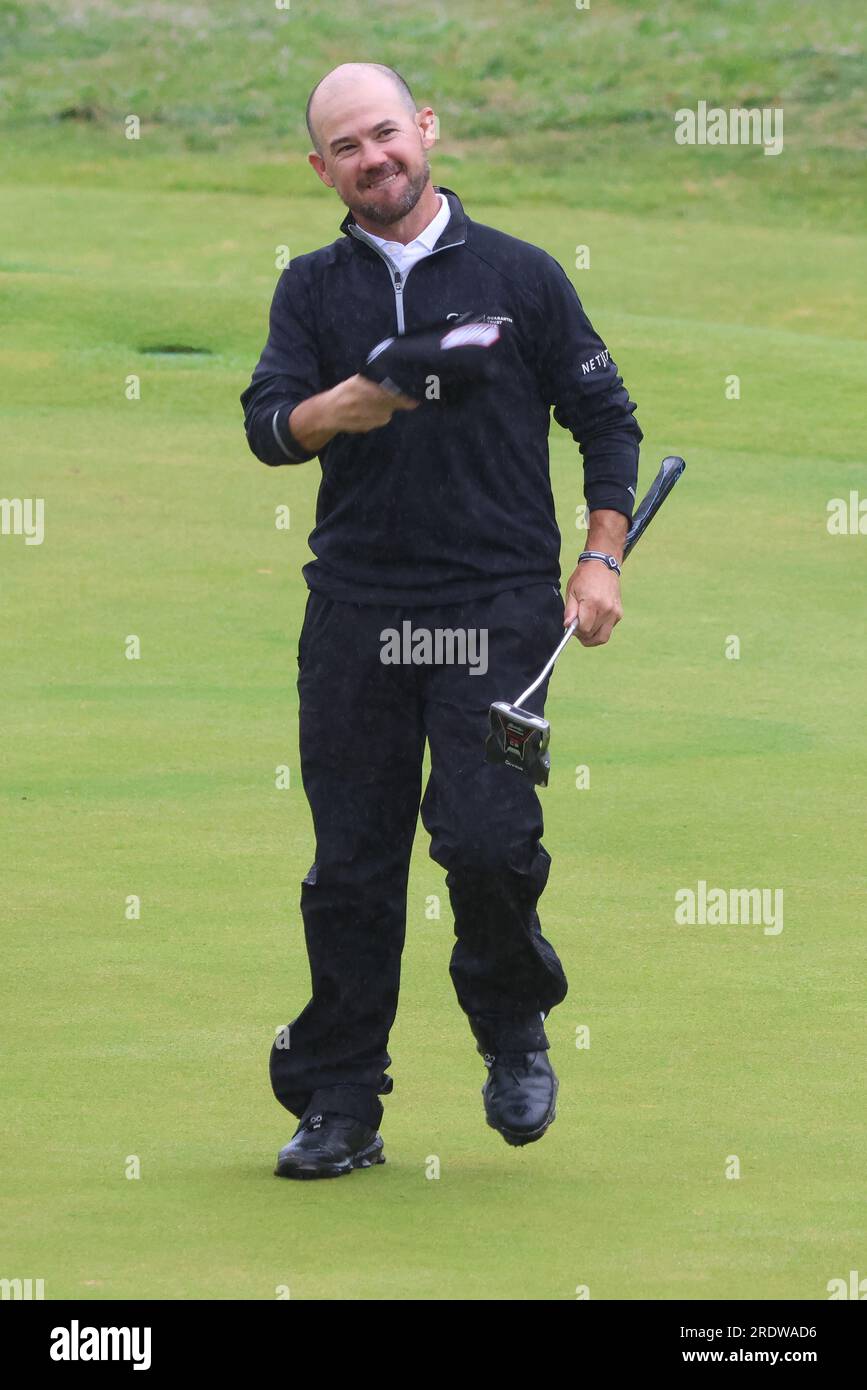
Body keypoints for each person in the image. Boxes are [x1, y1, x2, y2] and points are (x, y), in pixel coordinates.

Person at [240, 62, 642, 1180]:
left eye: (387, 132)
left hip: (503, 614)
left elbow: (605, 417)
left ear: (425, 128)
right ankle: (339, 1098)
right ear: (322, 169)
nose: (375, 158)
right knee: (352, 863)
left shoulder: (523, 275)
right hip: (357, 616)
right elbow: (269, 425)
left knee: (487, 837)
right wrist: (346, 406)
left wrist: (601, 555)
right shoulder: (312, 290)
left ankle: (513, 1027)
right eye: (347, 148)